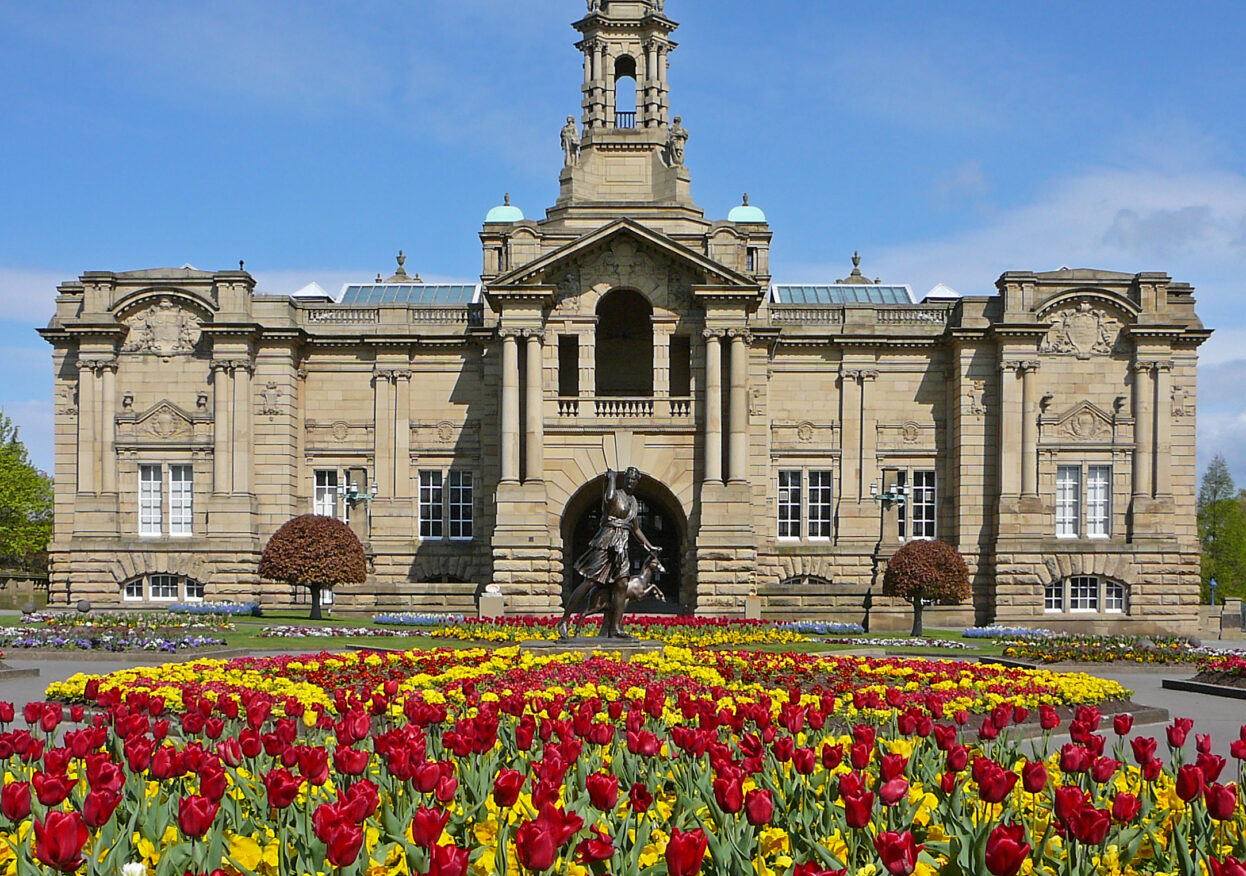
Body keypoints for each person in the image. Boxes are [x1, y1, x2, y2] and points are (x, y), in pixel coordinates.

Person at [562, 467, 661, 639]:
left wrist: (650, 546)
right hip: (606, 542)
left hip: (622, 546)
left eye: (633, 480)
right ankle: (564, 619)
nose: (630, 482)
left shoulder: (634, 502)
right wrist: (612, 479)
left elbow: (635, 529)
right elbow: (608, 499)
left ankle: (615, 628)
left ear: (637, 482)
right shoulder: (615, 492)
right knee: (589, 582)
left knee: (622, 584)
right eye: (628, 479)